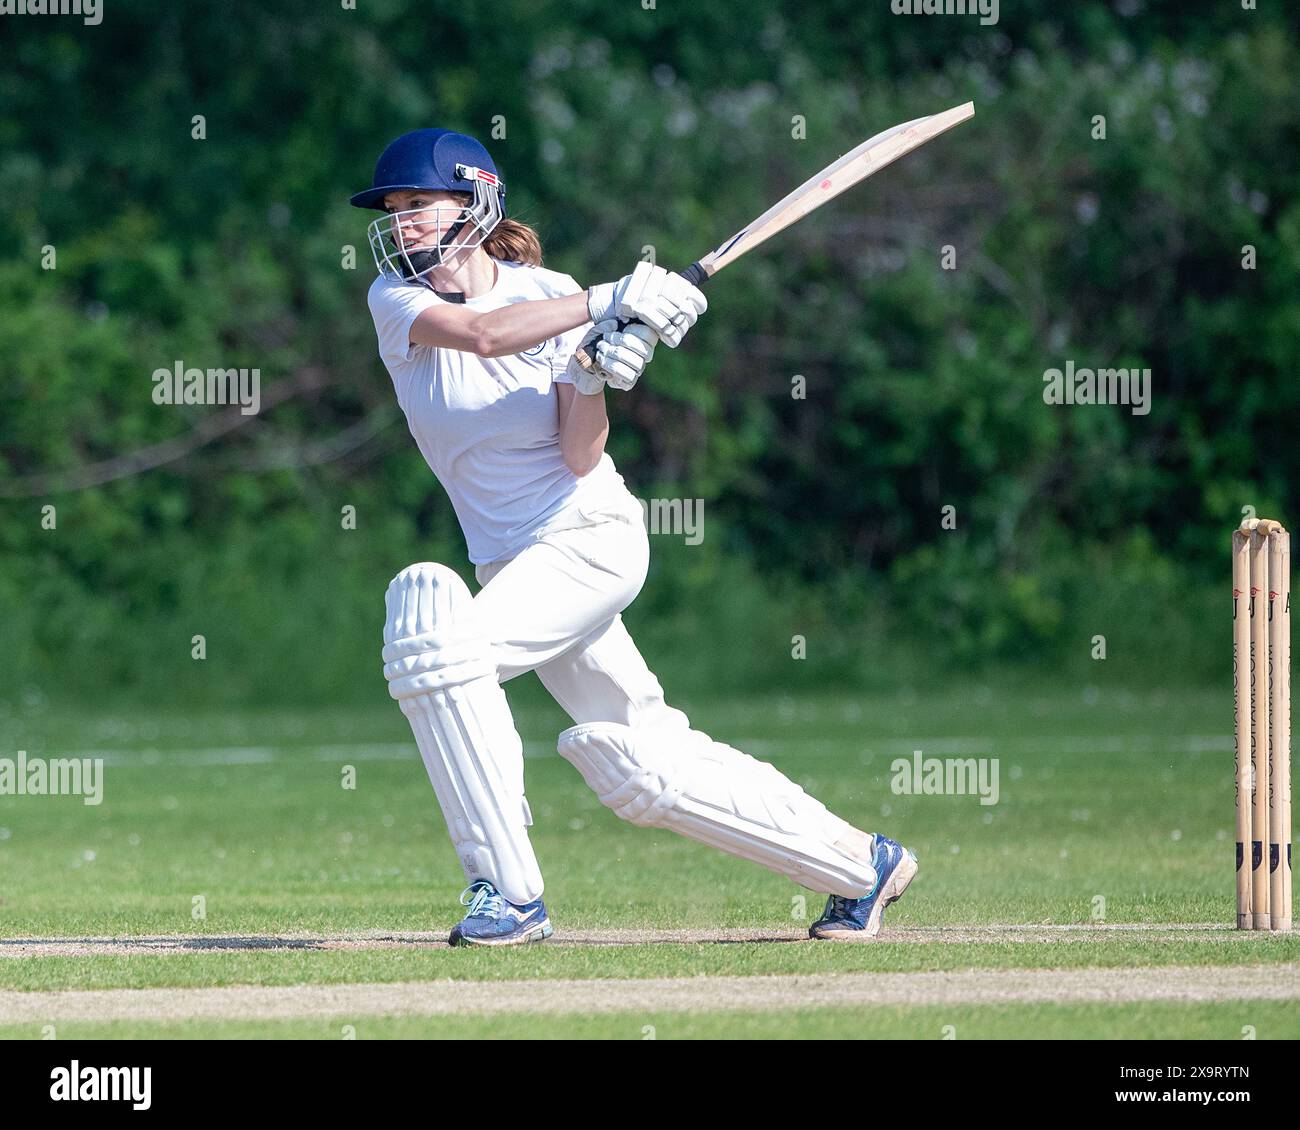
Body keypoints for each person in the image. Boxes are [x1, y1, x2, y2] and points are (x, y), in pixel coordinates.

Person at [352, 128, 917, 945]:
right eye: (393, 210)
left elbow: (581, 453)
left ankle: (506, 894)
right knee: (644, 761)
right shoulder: (399, 302)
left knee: (442, 650)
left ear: (476, 202)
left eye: (418, 205)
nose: (400, 223)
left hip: (589, 539)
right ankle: (864, 867)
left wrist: (591, 374)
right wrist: (608, 301)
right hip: (513, 561)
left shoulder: (549, 290)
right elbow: (481, 336)